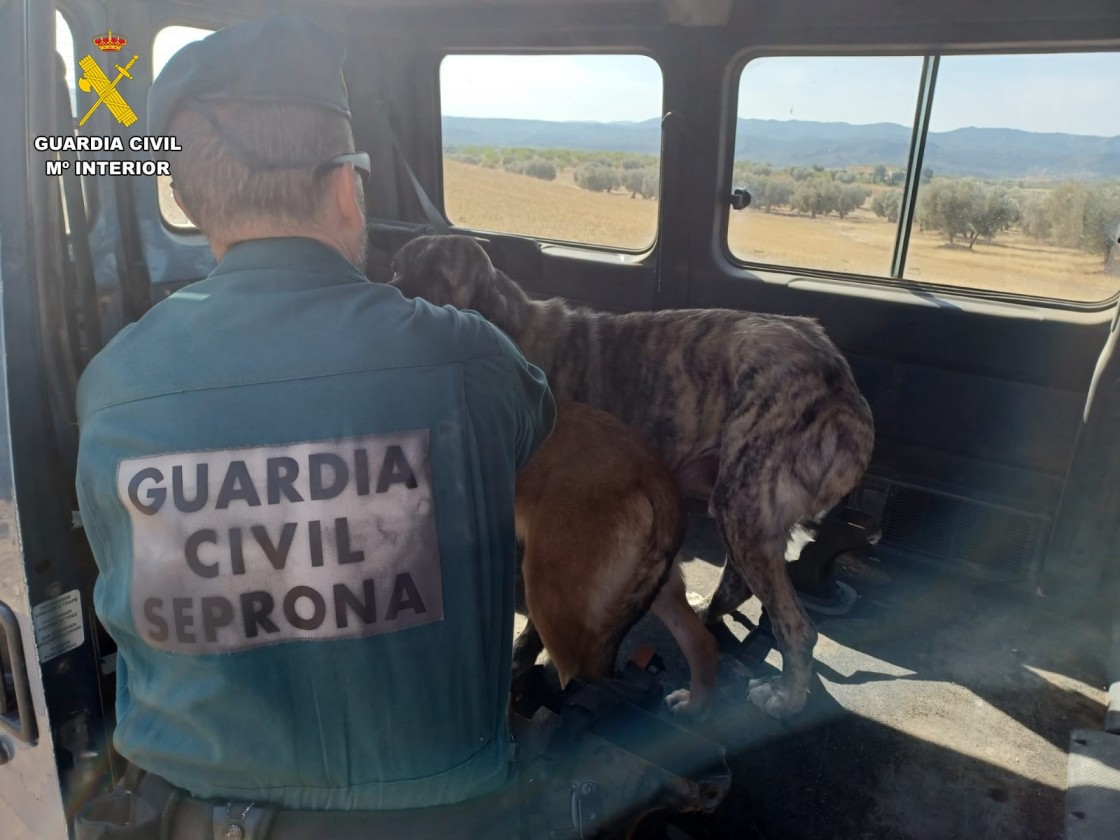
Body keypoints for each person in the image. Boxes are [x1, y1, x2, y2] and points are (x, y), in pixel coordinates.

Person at [73, 15, 555, 838]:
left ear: (191, 202)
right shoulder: (468, 359)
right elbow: (530, 428)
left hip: (181, 816)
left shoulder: (112, 382)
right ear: (345, 187)